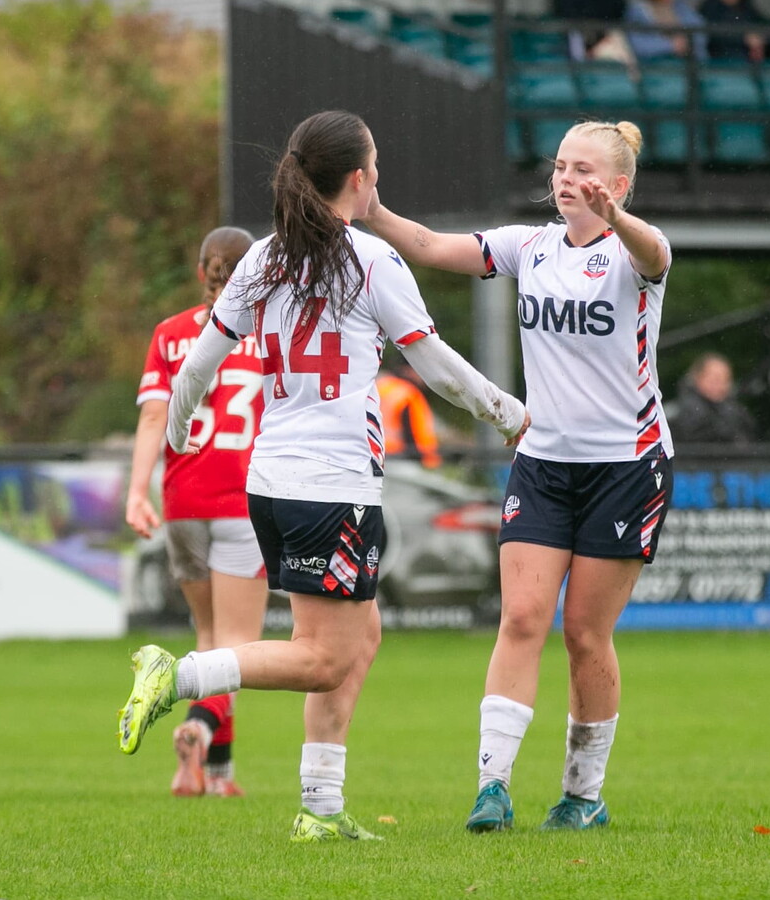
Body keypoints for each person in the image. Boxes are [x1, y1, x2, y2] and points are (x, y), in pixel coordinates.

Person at [114, 110, 529, 843]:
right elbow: (430, 361)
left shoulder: (264, 257)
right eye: (376, 166)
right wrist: (507, 413)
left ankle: (321, 807)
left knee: (359, 637)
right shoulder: (370, 260)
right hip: (328, 486)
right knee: (323, 656)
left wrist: (178, 428)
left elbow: (200, 361)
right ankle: (175, 677)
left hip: (271, 482)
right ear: (360, 180)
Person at [360, 120, 676, 833]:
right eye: (561, 167)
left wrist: (618, 217)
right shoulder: (529, 247)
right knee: (522, 618)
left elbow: (655, 251)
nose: (568, 179)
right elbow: (435, 248)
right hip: (541, 463)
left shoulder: (634, 254)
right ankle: (491, 789)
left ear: (619, 185)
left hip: (626, 468)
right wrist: (373, 212)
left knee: (585, 635)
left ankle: (582, 795)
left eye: (585, 171)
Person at [126, 226, 269, 798]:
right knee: (236, 648)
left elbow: (152, 420)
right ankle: (198, 726)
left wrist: (139, 492)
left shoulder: (169, 334)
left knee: (208, 634)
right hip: (242, 498)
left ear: (200, 271)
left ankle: (218, 774)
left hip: (182, 503)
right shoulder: (268, 330)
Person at [667, 352, 757, 444]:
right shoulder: (679, 413)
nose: (720, 385)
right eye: (715, 379)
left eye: (726, 380)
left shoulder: (737, 412)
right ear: (697, 378)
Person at [376, 359, 442, 468]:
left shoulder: (380, 385)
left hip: (376, 457)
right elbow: (413, 437)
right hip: (402, 461)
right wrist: (427, 461)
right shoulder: (408, 394)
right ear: (408, 370)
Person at [625, 0, 711, 59]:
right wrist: (670, 45)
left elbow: (701, 33)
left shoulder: (681, 7)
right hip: (660, 69)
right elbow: (637, 45)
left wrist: (686, 42)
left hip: (691, 66)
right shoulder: (638, 10)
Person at [699, 0, 769, 61]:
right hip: (720, 60)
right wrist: (743, 38)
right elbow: (709, 34)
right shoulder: (710, 7)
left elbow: (763, 23)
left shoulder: (746, 6)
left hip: (748, 60)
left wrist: (759, 36)